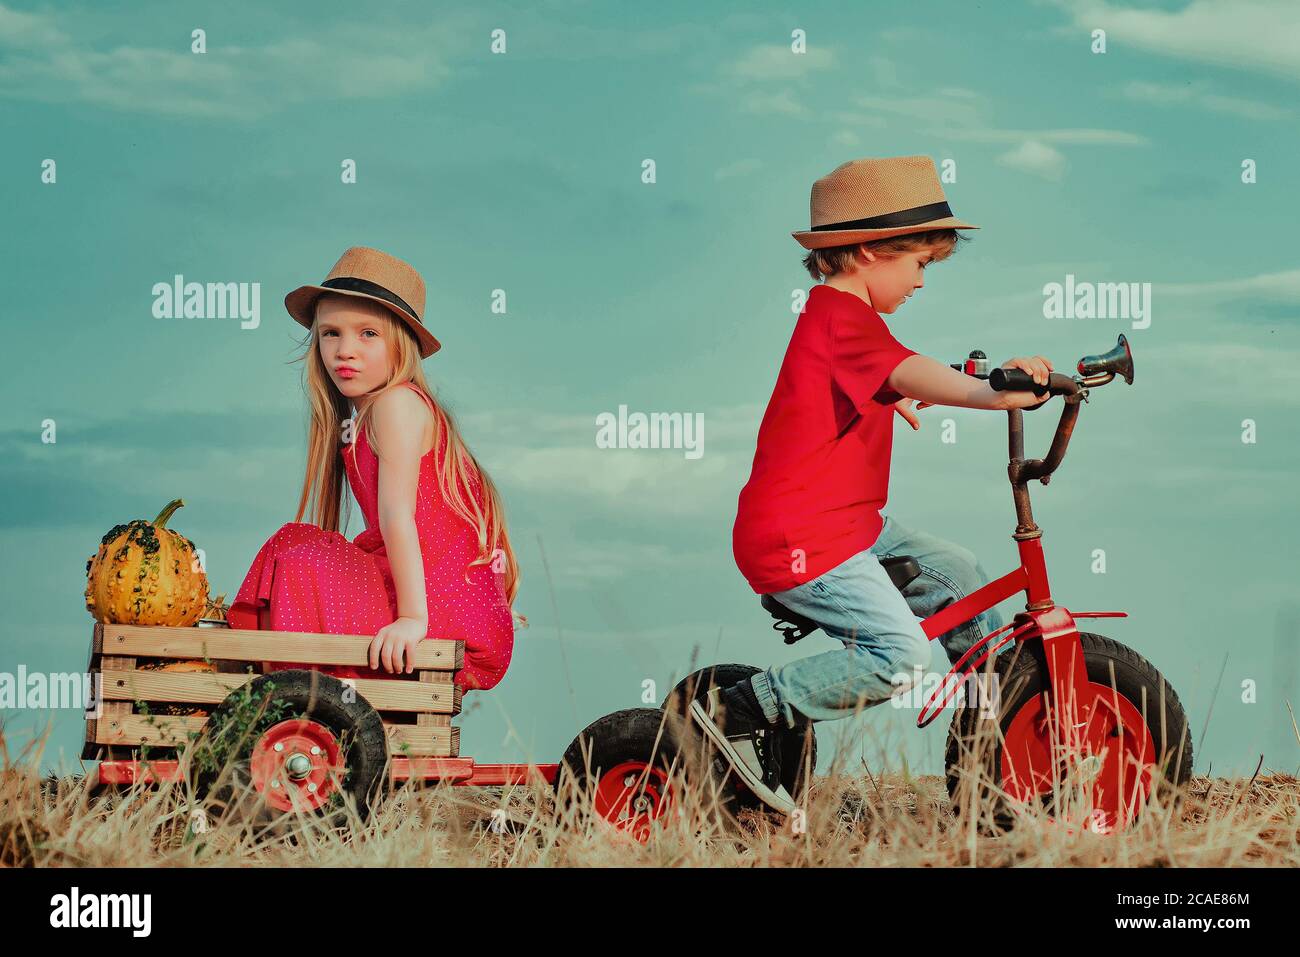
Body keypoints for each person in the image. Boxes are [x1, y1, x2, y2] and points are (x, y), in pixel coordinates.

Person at [691, 157, 1052, 812]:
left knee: (961, 575)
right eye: (918, 262)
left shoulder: (852, 326)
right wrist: (992, 391)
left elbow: (893, 375)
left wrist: (927, 389)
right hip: (801, 540)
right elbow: (904, 370)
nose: (920, 279)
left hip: (851, 526)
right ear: (866, 251)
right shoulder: (839, 319)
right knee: (904, 660)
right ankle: (746, 708)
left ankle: (990, 735)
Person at [225, 246, 523, 692]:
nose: (345, 351)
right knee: (299, 545)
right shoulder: (359, 422)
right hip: (428, 596)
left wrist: (411, 619)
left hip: (428, 607)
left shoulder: (396, 404)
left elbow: (399, 518)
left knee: (298, 554)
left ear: (400, 342)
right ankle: (286, 693)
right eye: (330, 334)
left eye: (367, 333)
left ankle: (304, 703)